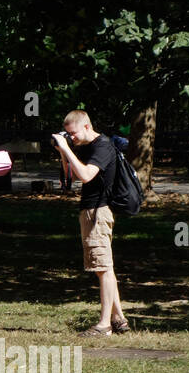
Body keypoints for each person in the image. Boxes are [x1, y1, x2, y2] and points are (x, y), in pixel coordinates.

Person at [51, 110, 130, 337]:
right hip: (90, 211)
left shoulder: (102, 146)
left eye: (73, 134)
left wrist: (67, 149)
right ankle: (118, 318)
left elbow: (86, 175)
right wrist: (63, 152)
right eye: (67, 135)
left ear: (86, 126)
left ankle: (104, 325)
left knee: (102, 268)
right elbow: (73, 177)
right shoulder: (87, 147)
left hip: (98, 212)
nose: (71, 138)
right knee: (105, 267)